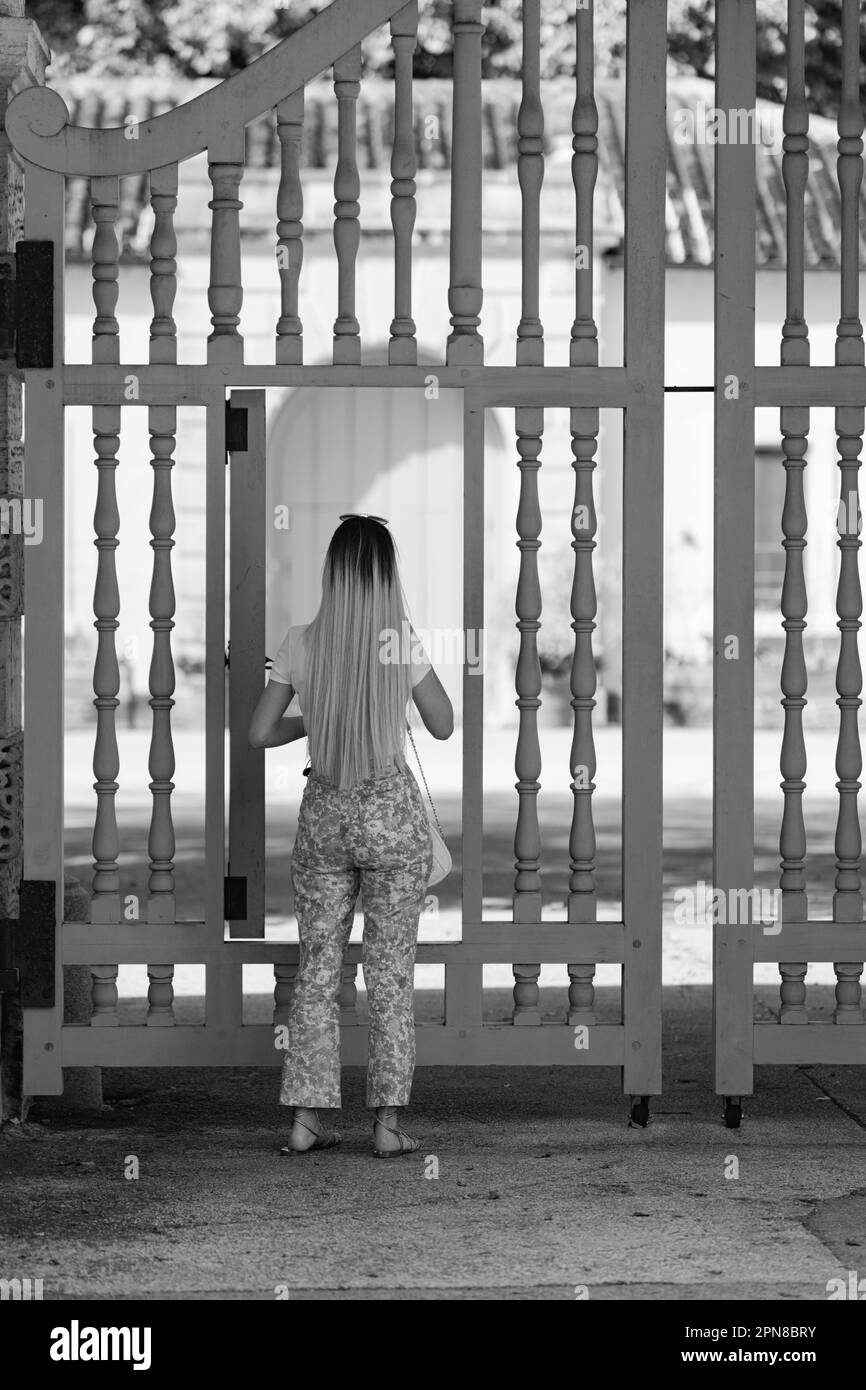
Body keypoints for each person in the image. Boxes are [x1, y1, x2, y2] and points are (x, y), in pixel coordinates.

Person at [249, 514, 454, 1157]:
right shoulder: (400, 640)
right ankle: (388, 1129)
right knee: (389, 978)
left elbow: (258, 733)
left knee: (316, 973)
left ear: (331, 572)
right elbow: (443, 724)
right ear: (386, 576)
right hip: (392, 819)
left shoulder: (300, 642)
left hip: (326, 822)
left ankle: (305, 1124)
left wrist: (318, 720)